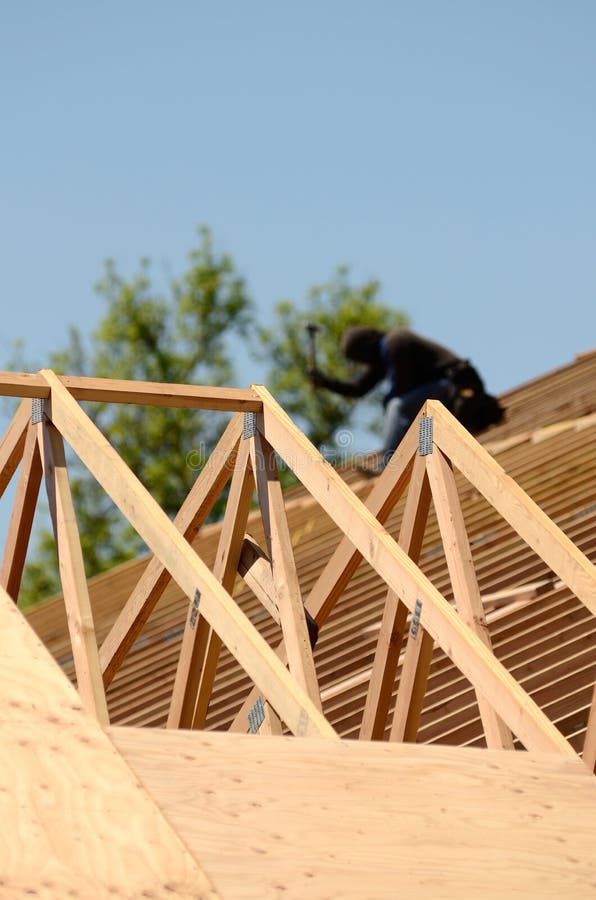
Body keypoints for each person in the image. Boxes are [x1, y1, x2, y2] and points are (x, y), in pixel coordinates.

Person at [307, 326, 503, 471]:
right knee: (419, 414)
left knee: (398, 406)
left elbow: (403, 385)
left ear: (366, 347)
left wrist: (388, 402)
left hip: (454, 384)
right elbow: (359, 388)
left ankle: (387, 464)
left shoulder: (395, 342)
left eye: (358, 356)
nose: (362, 361)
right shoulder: (383, 355)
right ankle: (425, 454)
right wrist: (326, 382)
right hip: (438, 393)